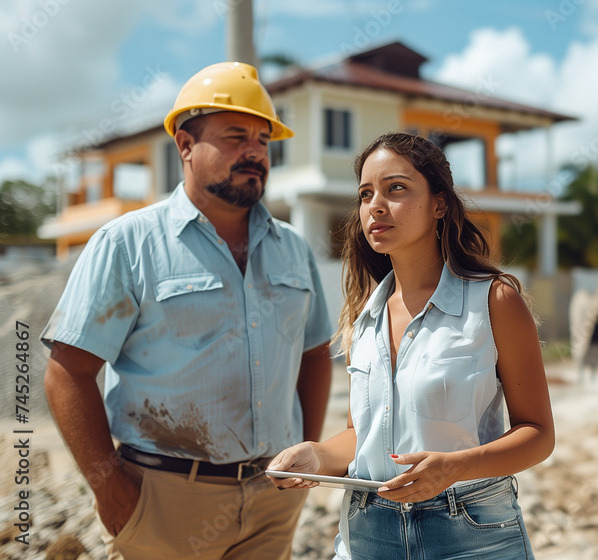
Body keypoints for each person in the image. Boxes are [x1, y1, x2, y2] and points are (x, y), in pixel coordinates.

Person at [41, 61, 333, 560]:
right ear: (185, 145)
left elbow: (315, 353)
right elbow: (68, 372)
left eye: (263, 140)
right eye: (236, 136)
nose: (254, 152)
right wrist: (110, 489)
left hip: (273, 500)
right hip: (165, 499)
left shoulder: (294, 249)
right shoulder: (128, 242)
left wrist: (305, 456)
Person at [267, 132, 555, 559]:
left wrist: (457, 466)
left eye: (395, 188)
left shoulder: (494, 301)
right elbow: (358, 435)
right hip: (368, 532)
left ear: (439, 203)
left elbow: (539, 434)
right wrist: (317, 455)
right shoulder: (363, 315)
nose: (375, 206)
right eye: (366, 194)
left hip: (471, 534)